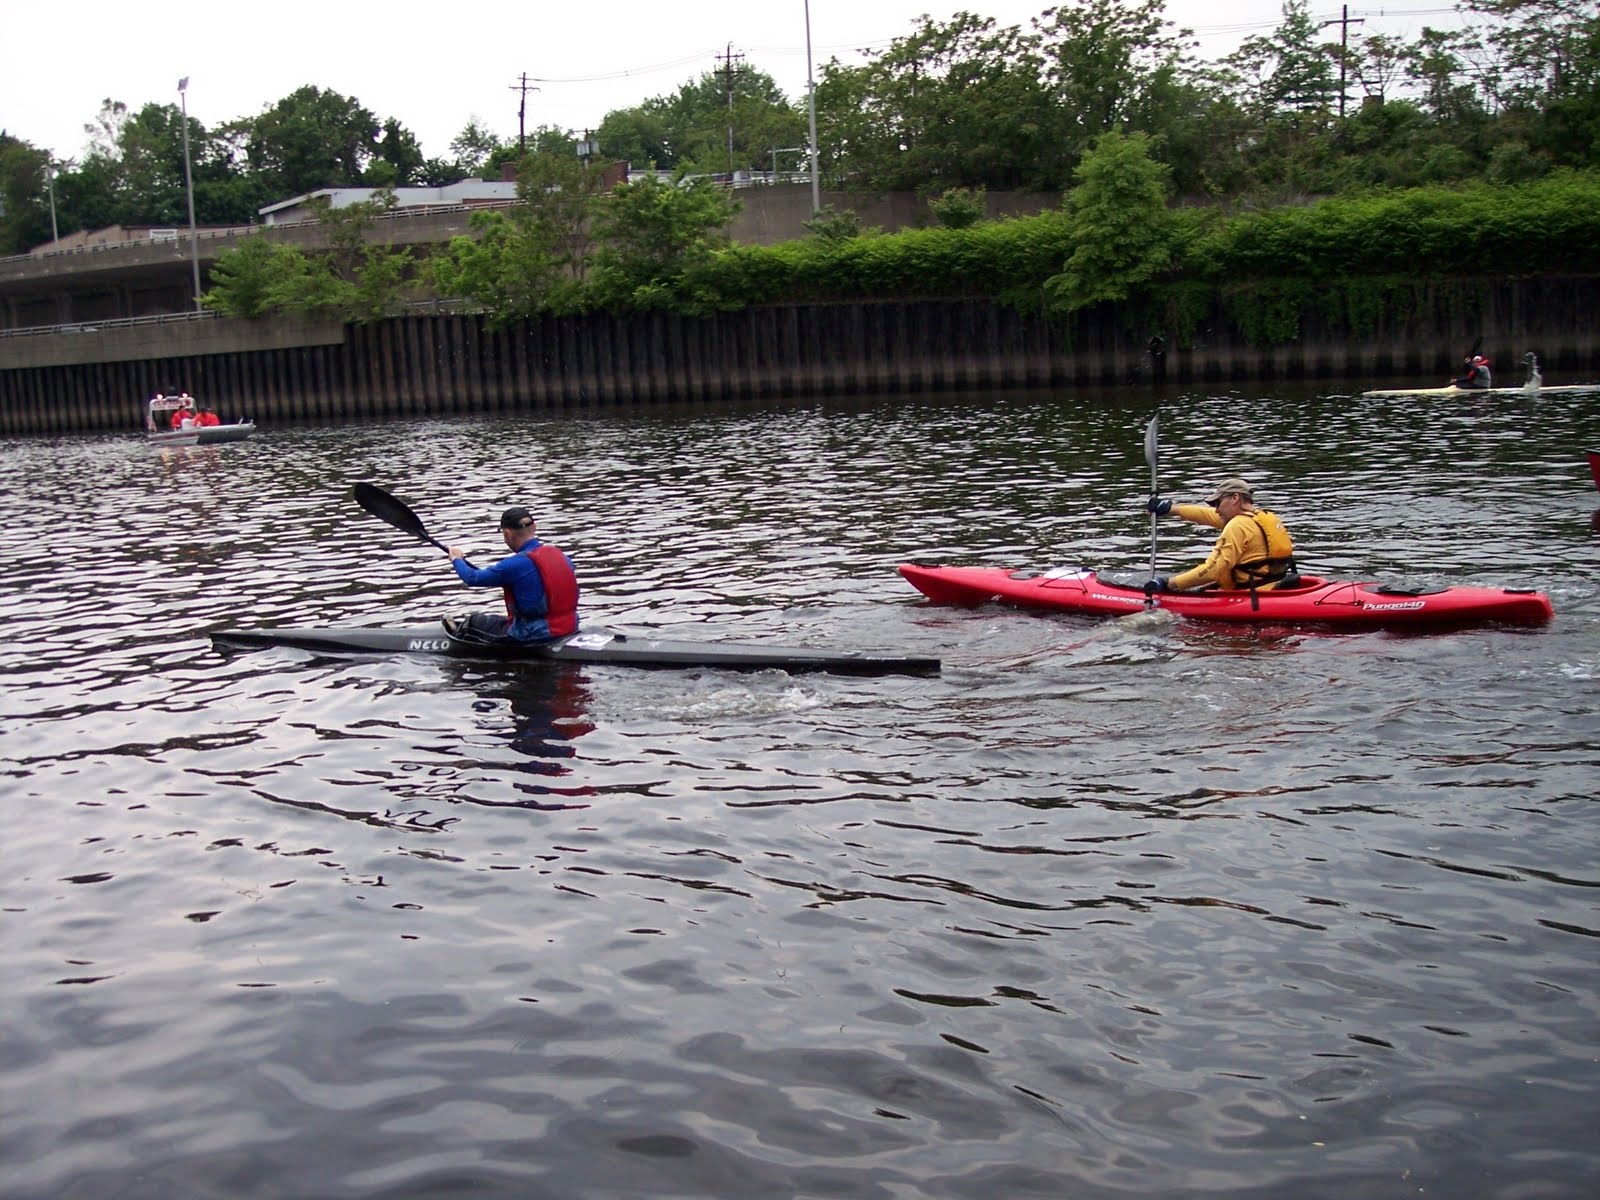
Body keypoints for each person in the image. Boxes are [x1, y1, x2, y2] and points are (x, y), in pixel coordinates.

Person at [445, 506, 580, 644]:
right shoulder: (561, 556)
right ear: (534, 527)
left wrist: (457, 559)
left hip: (534, 635)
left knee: (474, 622)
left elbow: (471, 578)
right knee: (498, 621)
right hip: (569, 626)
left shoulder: (514, 565)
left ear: (507, 534)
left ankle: (456, 638)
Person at [1144, 476, 1298, 593]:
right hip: (1274, 585)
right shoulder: (1260, 517)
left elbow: (1213, 570)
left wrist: (1168, 583)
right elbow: (1208, 514)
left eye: (1218, 503)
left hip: (1253, 594)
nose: (1216, 509)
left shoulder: (1238, 525)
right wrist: (1170, 509)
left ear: (1235, 498)